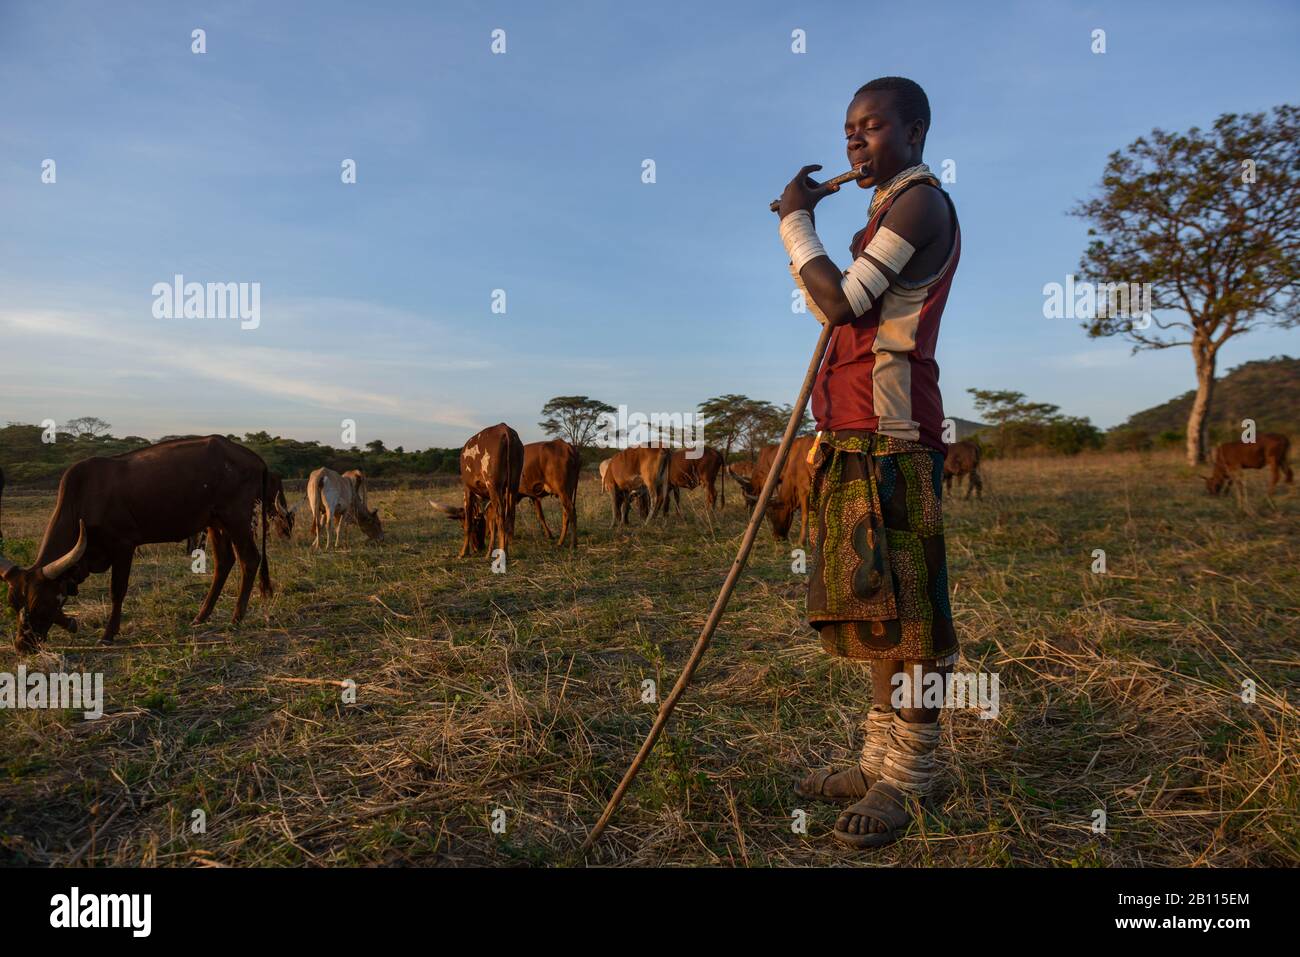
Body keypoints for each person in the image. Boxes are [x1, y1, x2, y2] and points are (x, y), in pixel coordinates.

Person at [775, 76, 961, 848]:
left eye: (874, 125)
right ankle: (876, 759)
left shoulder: (920, 204)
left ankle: (912, 778)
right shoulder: (882, 211)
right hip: (849, 436)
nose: (856, 139)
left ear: (915, 132)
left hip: (895, 436)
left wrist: (794, 222)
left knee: (913, 617)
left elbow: (842, 304)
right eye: (850, 127)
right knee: (872, 611)